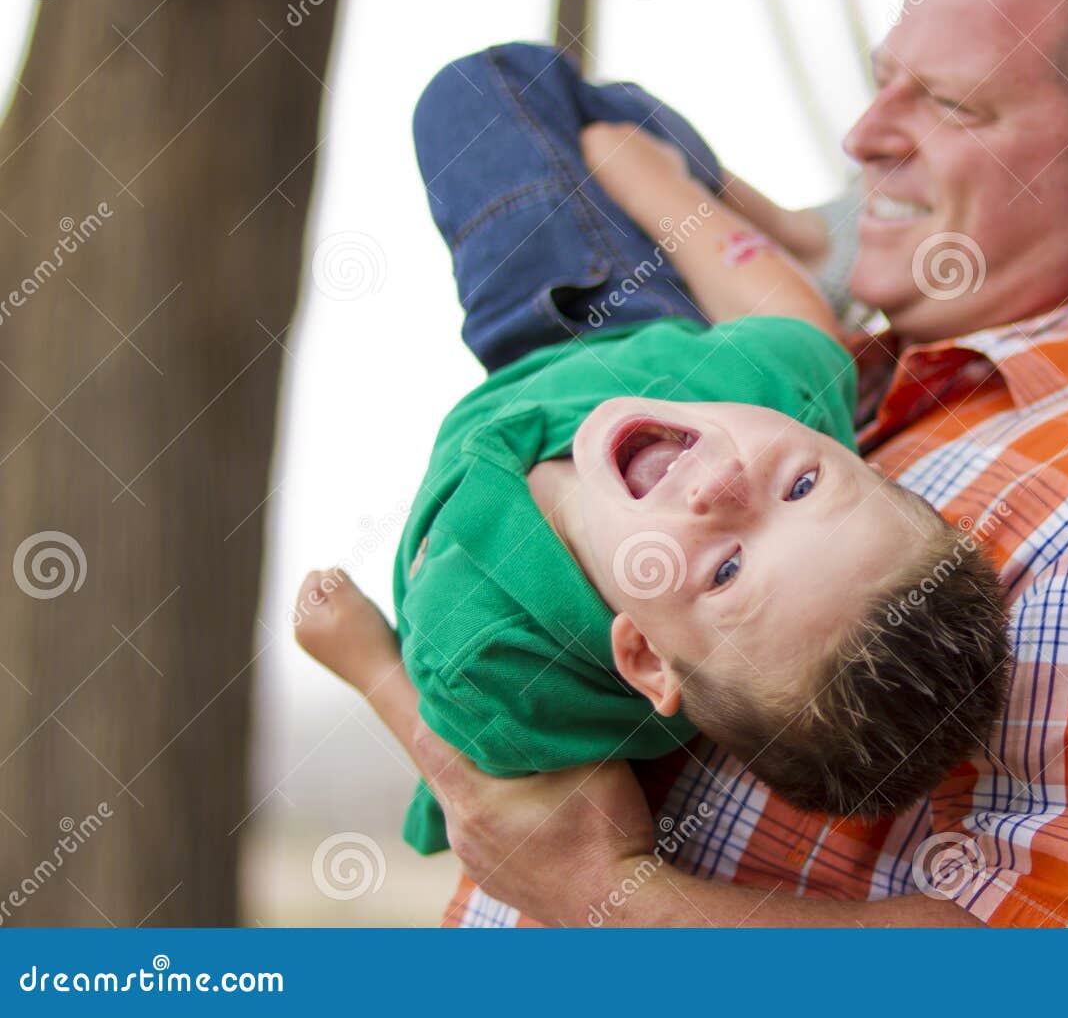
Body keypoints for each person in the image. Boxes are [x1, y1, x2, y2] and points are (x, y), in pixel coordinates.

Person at [322, 0, 1068, 928]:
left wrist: (605, 897)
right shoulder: (847, 395)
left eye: (948, 105)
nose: (865, 135)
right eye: (880, 84)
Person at [295, 44, 1013, 862]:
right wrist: (655, 185)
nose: (726, 484)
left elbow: (467, 779)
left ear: (640, 654)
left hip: (538, 338)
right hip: (634, 334)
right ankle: (790, 226)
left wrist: (364, 659)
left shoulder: (491, 655)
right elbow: (800, 326)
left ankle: (691, 169)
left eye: (727, 571)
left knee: (478, 96)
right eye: (805, 481)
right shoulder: (769, 392)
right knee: (623, 127)